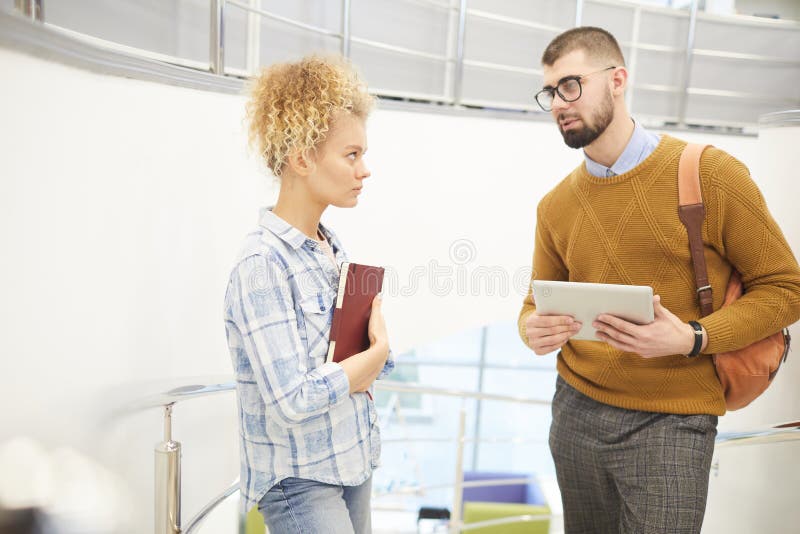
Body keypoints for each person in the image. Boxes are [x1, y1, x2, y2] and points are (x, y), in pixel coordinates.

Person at [518, 27, 800, 533]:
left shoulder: (709, 174)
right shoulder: (554, 206)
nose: (558, 103)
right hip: (575, 412)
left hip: (672, 421)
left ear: (618, 80)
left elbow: (786, 288)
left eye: (571, 85)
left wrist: (695, 336)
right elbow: (532, 303)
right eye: (550, 93)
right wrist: (532, 329)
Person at [224, 55, 393, 534]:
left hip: (350, 460)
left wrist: (370, 359)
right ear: (302, 158)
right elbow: (293, 399)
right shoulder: (261, 264)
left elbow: (342, 359)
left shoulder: (329, 245)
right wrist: (376, 354)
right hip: (300, 481)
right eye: (352, 154)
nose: (365, 170)